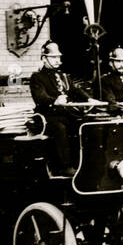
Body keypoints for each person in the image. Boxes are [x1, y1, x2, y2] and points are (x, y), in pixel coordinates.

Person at [29, 42, 90, 173]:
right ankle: (65, 166)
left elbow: (75, 90)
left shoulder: (64, 76)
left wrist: (89, 99)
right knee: (60, 128)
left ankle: (84, 163)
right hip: (48, 117)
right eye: (54, 57)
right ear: (44, 58)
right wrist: (55, 101)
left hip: (66, 115)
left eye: (58, 57)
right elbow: (40, 97)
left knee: (85, 125)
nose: (58, 60)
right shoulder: (37, 77)